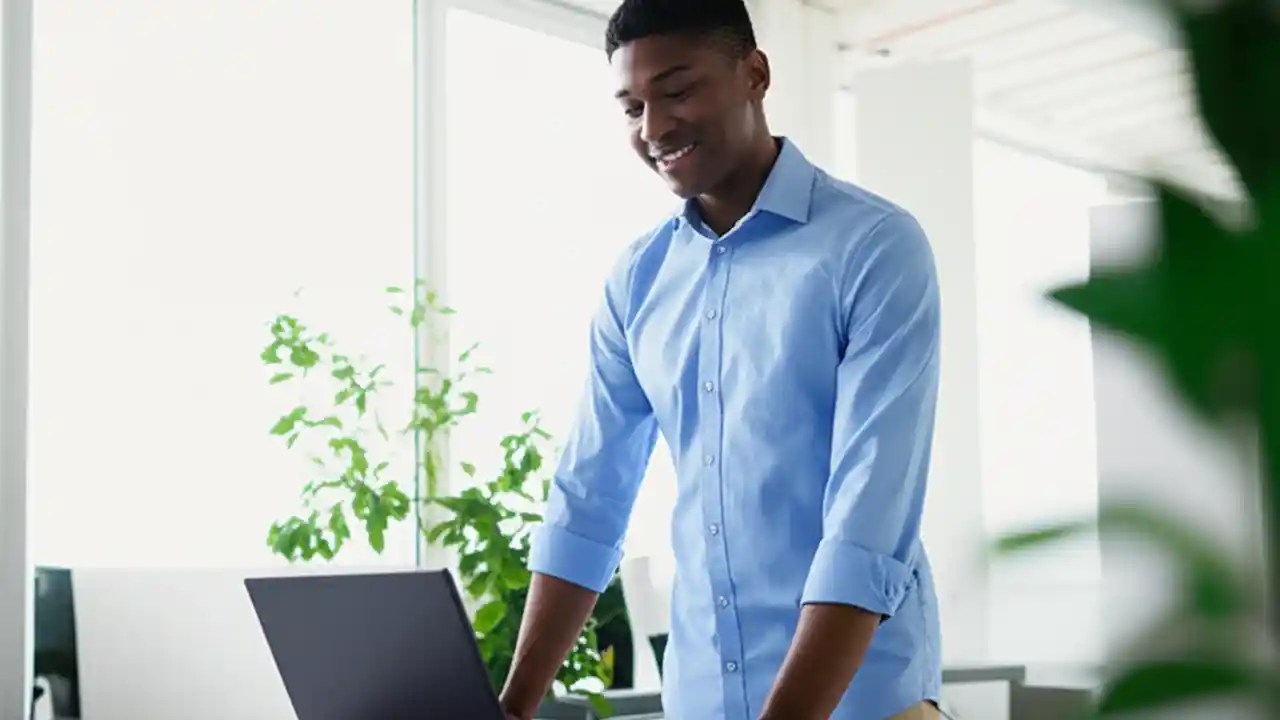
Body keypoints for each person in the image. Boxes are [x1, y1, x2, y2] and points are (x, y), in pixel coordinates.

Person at [498, 1, 942, 718]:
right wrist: (512, 706)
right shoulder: (638, 280)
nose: (655, 128)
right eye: (632, 106)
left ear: (754, 75)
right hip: (701, 699)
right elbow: (589, 503)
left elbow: (867, 527)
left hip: (862, 705)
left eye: (677, 91)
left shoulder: (873, 247)